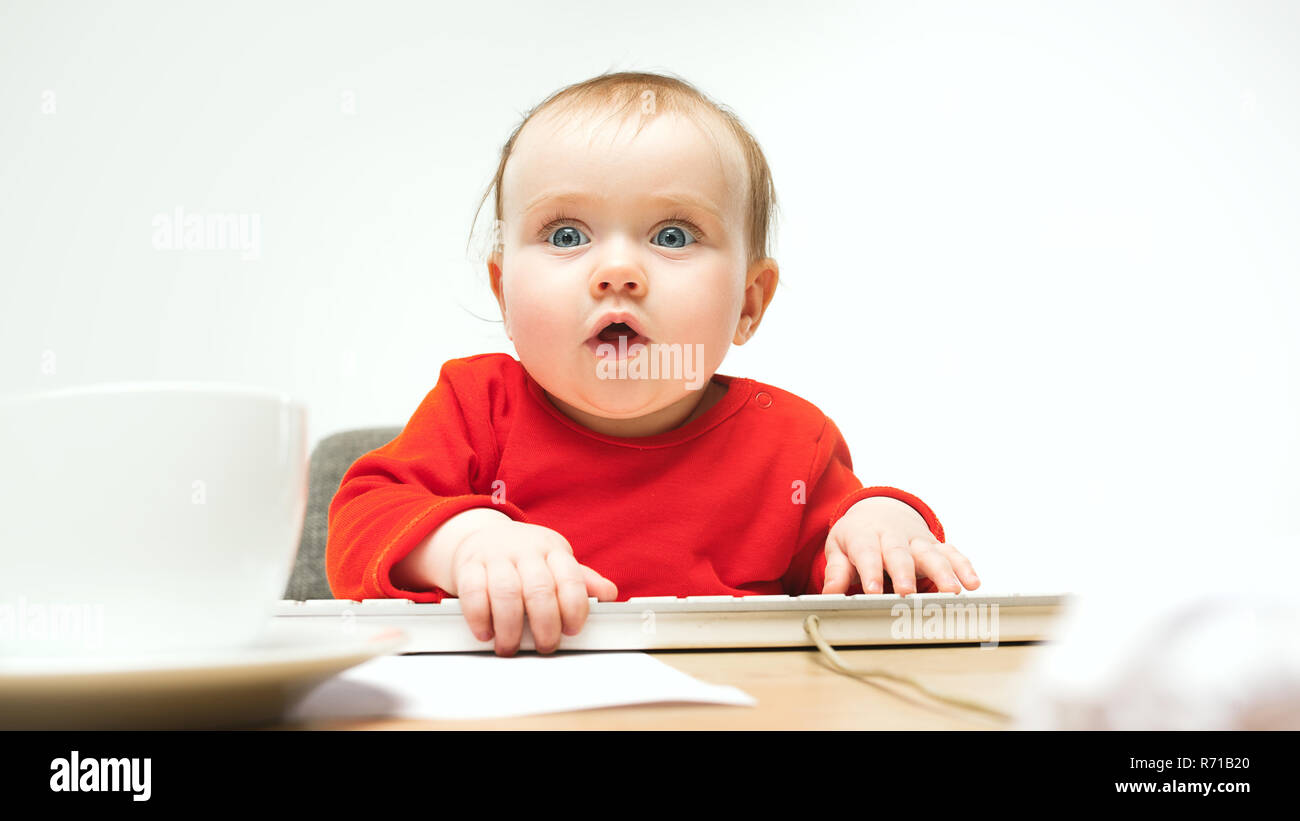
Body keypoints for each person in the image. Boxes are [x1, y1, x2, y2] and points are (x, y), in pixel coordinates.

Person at [327, 71, 980, 656]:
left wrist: (887, 523)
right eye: (566, 235)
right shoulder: (477, 406)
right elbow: (360, 526)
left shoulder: (788, 441)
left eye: (672, 236)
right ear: (503, 292)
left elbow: (863, 574)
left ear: (749, 303)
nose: (617, 271)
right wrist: (467, 542)